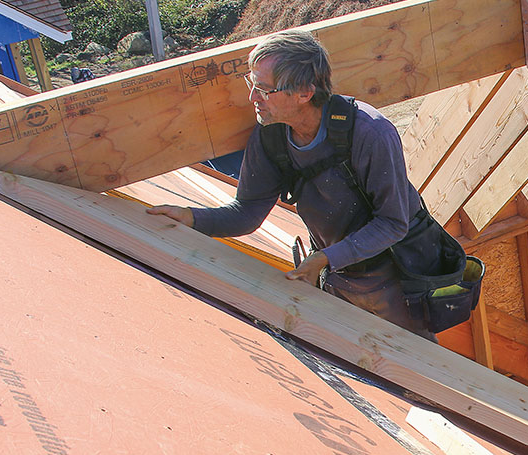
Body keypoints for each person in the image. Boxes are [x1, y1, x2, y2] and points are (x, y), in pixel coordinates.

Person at [147, 30, 436, 339]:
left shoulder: (369, 133)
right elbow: (246, 213)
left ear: (304, 92)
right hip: (334, 279)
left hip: (393, 282)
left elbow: (393, 223)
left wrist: (325, 259)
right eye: (252, 84)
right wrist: (191, 218)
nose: (253, 98)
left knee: (415, 376)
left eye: (264, 89)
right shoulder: (271, 134)